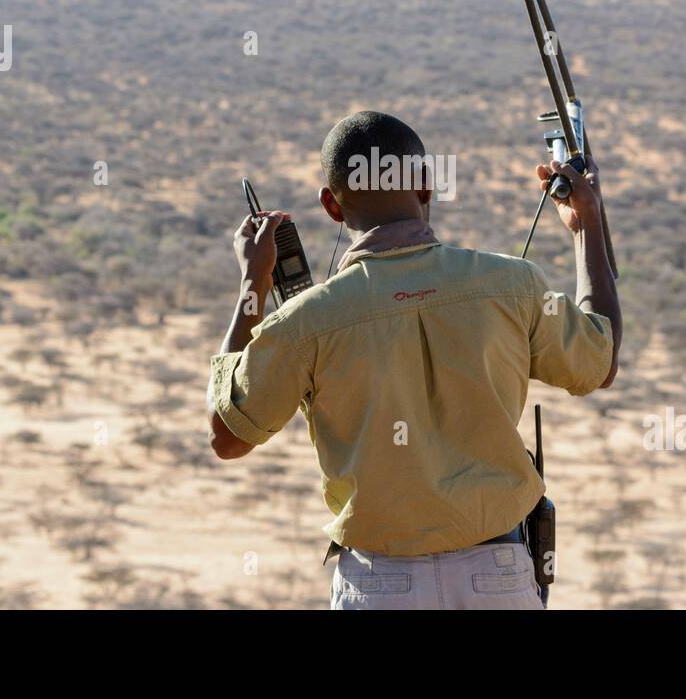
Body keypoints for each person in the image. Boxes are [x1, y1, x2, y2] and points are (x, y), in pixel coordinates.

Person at [208, 110, 620, 609]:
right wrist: (587, 225)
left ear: (331, 207)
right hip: (498, 577)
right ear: (426, 187)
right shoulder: (513, 284)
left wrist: (253, 284)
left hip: (380, 585)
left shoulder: (305, 321)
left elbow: (228, 437)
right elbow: (601, 361)